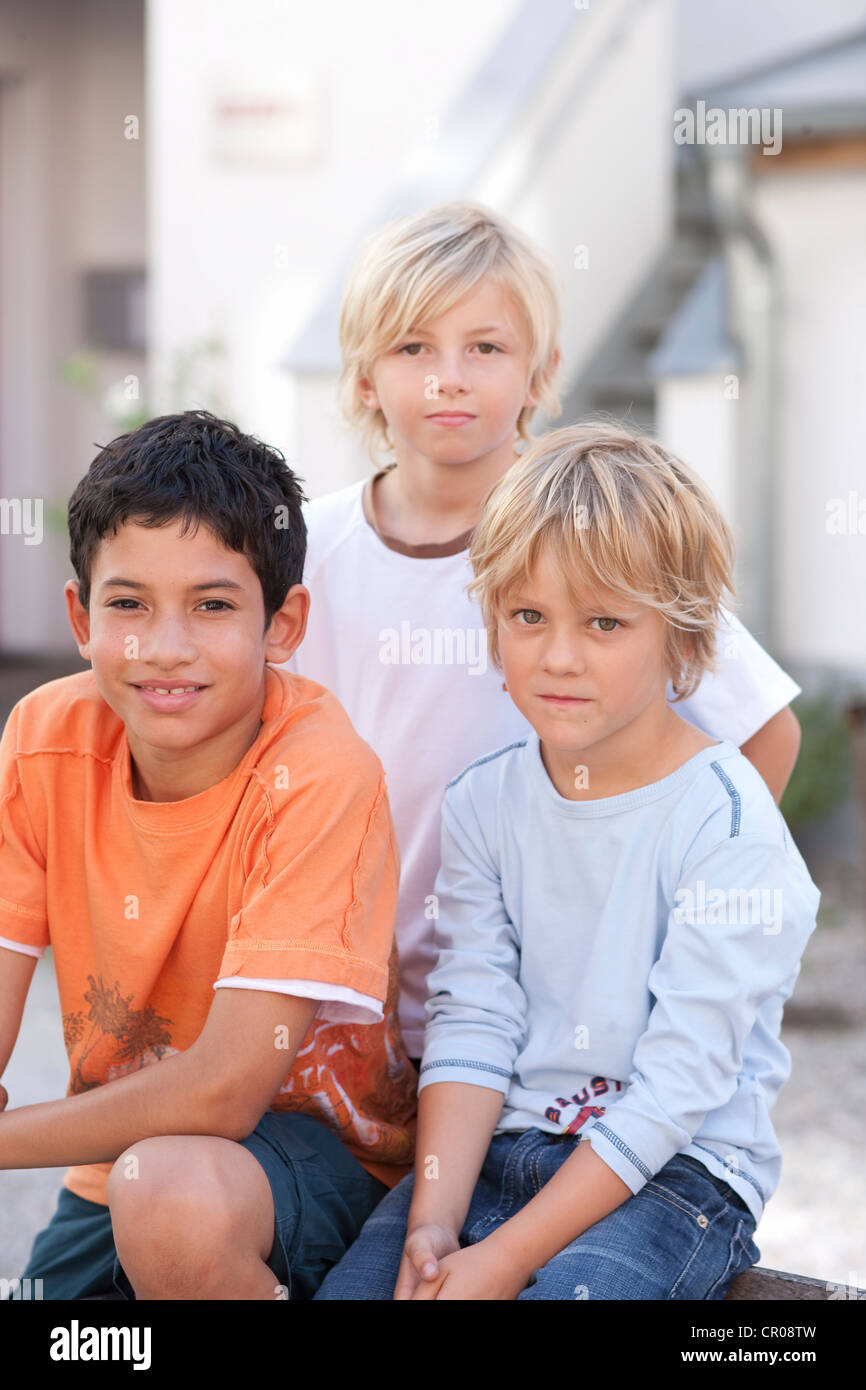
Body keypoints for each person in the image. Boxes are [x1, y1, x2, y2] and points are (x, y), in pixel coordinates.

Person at [283, 200, 803, 1067]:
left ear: (541, 373)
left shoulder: (592, 531)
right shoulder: (302, 551)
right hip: (348, 1014)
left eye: (485, 347)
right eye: (413, 347)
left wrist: (656, 919)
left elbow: (764, 732)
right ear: (365, 377)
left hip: (538, 1027)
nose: (449, 376)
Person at [314, 422, 820, 1301]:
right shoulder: (483, 804)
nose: (558, 656)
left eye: (605, 623)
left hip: (675, 1177)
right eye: (528, 617)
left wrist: (504, 1260)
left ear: (686, 639)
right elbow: (473, 1020)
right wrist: (434, 1220)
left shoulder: (727, 821)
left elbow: (677, 1086)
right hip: (497, 1155)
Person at [0, 410, 417, 1301]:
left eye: (214, 605)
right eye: (128, 604)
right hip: (116, 1159)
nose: (165, 647)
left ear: (282, 623)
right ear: (81, 616)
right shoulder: (44, 741)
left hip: (314, 1167)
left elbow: (228, 1090)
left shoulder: (317, 772)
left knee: (165, 1195)